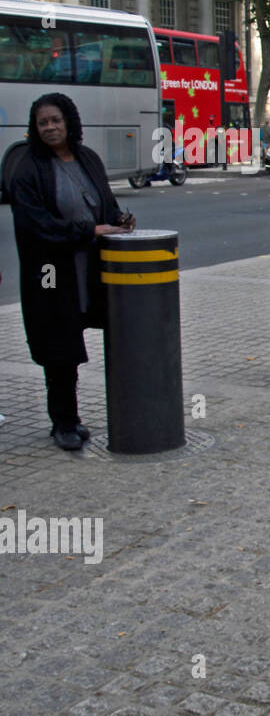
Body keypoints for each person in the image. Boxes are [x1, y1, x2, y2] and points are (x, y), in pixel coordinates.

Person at [8, 93, 134, 450]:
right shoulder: (28, 167)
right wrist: (88, 231)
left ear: (70, 122)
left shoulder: (87, 159)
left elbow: (105, 205)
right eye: (42, 122)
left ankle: (116, 412)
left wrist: (118, 221)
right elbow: (36, 224)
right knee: (58, 345)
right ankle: (64, 421)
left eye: (55, 120)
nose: (50, 127)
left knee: (95, 330)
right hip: (49, 268)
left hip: (88, 266)